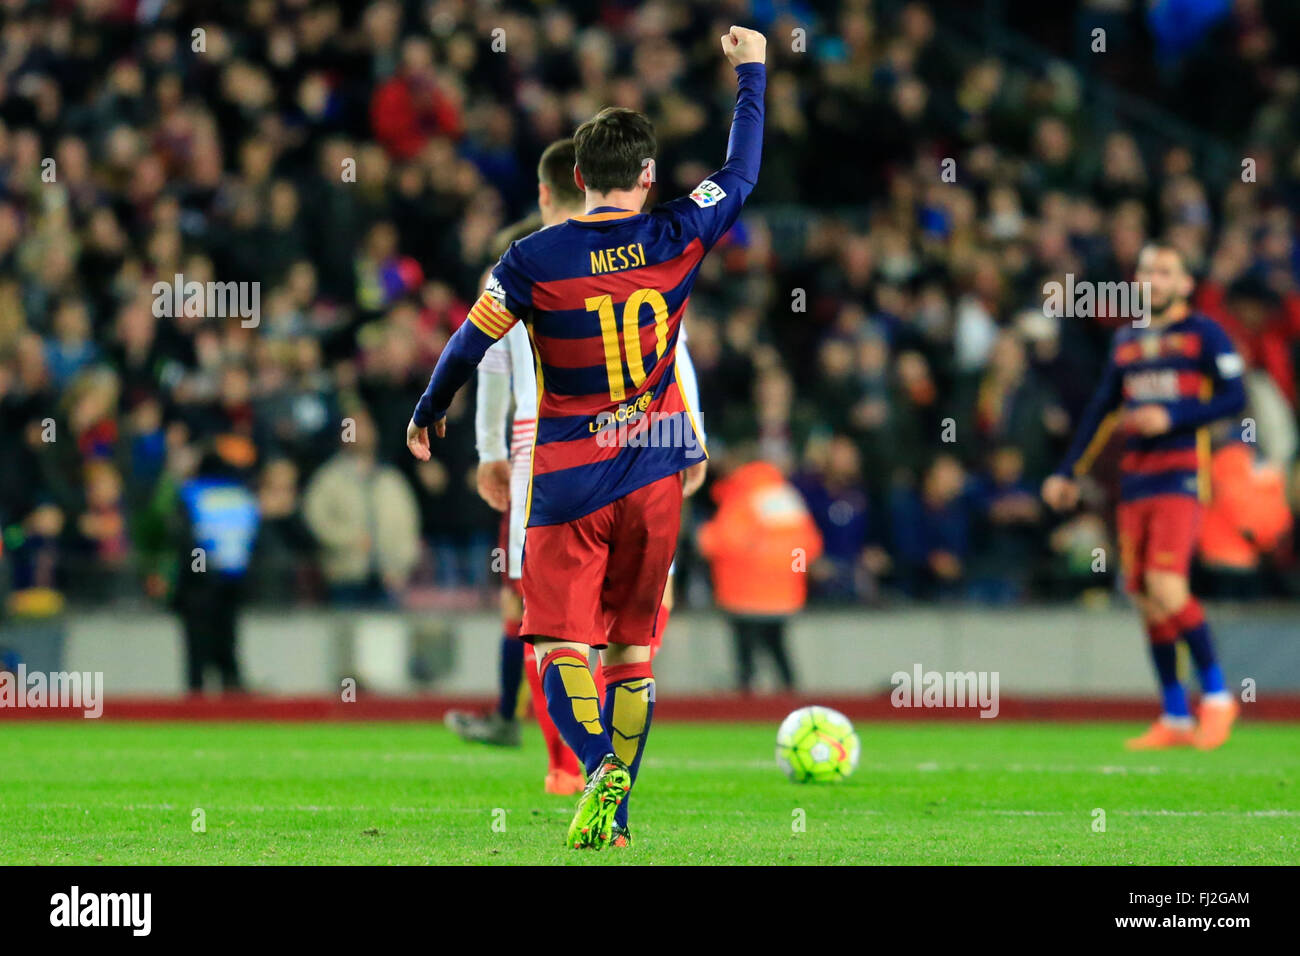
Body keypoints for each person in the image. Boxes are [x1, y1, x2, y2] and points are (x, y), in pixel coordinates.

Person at [408, 25, 766, 848]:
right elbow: (741, 170)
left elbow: (469, 342)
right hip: (655, 468)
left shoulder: (531, 259)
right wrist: (752, 71)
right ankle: (620, 814)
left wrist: (430, 411)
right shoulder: (679, 232)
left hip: (567, 472)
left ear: (576, 177)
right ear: (646, 177)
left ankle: (594, 763)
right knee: (632, 652)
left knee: (556, 642)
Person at [445, 139, 709, 802]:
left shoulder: (525, 265)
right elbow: (675, 359)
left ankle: (571, 765)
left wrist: (488, 452)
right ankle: (608, 760)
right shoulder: (647, 251)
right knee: (635, 623)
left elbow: (489, 373)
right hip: (649, 441)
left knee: (546, 617)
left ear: (546, 192)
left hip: (552, 451)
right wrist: (692, 437)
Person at [1043, 243, 1246, 750]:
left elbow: (1234, 397)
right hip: (1134, 480)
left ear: (1184, 285)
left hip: (1179, 476)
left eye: (1165, 271)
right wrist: (1068, 470)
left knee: (1166, 584)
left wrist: (1173, 417)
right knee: (1144, 599)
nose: (1153, 278)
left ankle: (1219, 698)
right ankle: (1176, 716)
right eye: (1146, 270)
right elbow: (1100, 409)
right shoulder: (1127, 341)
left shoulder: (1203, 333)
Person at [698, 458, 822, 693]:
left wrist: (705, 537)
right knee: (778, 648)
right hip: (785, 595)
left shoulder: (741, 497)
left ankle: (746, 705)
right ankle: (791, 699)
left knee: (746, 655)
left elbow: (726, 541)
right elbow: (808, 545)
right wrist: (794, 575)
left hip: (745, 594)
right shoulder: (787, 497)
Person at [173, 446, 260, 693]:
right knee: (228, 646)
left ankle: (196, 707)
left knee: (197, 652)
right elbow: (253, 539)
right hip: (234, 581)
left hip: (199, 585)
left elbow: (187, 541)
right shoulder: (242, 495)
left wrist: (197, 575)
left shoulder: (192, 494)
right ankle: (233, 703)